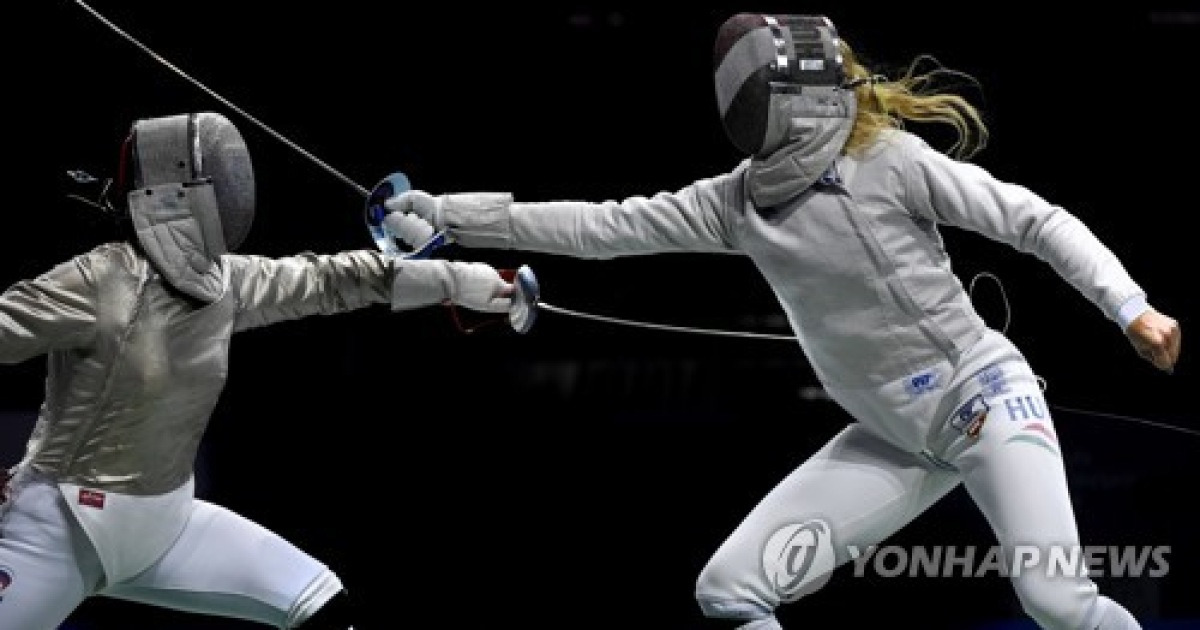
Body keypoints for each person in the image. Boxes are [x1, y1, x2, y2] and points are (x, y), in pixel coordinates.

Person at [380, 12, 1183, 630]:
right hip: (894, 435)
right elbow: (600, 226)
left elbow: (1033, 220)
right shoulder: (736, 202)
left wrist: (1129, 307)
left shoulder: (890, 162)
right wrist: (452, 214)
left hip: (982, 403)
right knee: (730, 590)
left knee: (1055, 599)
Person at [0, 111, 515, 630]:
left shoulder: (227, 284)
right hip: (57, 532)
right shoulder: (98, 281)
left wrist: (458, 280)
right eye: (219, 182)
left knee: (325, 606)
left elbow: (332, 279)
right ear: (178, 193)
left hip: (165, 528)